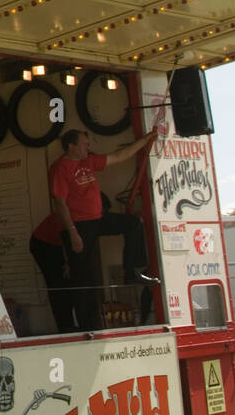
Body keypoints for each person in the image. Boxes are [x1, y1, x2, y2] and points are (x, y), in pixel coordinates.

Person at [49, 128, 157, 331]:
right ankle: (87, 327)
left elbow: (119, 156)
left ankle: (132, 271)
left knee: (133, 224)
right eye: (84, 143)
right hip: (78, 225)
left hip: (98, 218)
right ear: (71, 147)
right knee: (84, 277)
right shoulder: (60, 168)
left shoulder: (88, 161)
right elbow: (60, 203)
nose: (87, 147)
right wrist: (73, 233)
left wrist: (145, 140)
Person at [29, 213, 77, 333]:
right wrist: (70, 263)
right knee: (58, 284)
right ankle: (65, 326)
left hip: (54, 243)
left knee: (63, 283)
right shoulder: (71, 214)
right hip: (43, 244)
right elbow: (67, 240)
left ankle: (68, 324)